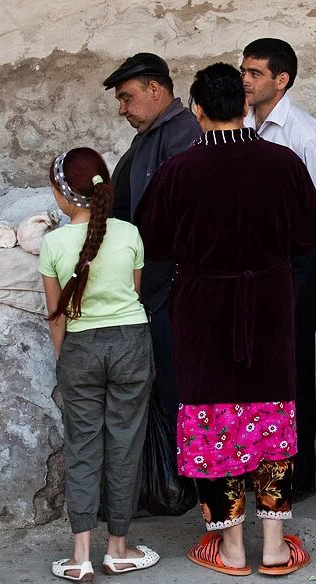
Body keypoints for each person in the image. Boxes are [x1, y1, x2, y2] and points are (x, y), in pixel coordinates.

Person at [136, 63, 316, 576]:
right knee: (271, 414)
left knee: (212, 417)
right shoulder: (283, 163)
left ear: (197, 110)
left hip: (202, 309)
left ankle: (232, 548)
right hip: (270, 304)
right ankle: (276, 547)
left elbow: (152, 242)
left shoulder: (178, 171)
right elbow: (309, 235)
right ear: (244, 106)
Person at [40, 148, 159, 584]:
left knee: (82, 446)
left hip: (80, 347)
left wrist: (66, 359)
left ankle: (80, 556)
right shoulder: (129, 234)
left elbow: (56, 316)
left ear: (63, 194)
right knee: (125, 443)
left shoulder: (53, 243)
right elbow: (134, 295)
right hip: (131, 344)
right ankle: (118, 549)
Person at [240, 38, 316, 501]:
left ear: (281, 80)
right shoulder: (242, 123)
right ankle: (257, 465)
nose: (245, 80)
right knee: (255, 362)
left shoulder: (304, 132)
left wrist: (301, 253)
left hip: (295, 263)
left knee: (293, 363)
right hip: (254, 266)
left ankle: (298, 477)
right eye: (243, 71)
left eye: (255, 73)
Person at [103, 52, 202, 434]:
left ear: (155, 89)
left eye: (127, 97)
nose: (122, 109)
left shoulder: (182, 135)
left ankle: (182, 464)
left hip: (172, 288)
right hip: (153, 285)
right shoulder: (150, 135)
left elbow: (182, 218)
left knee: (176, 388)